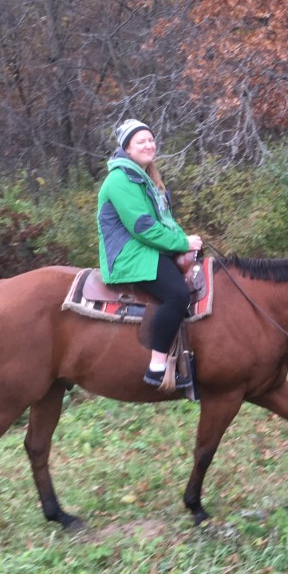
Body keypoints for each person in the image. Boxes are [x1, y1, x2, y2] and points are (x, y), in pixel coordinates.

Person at [97, 119, 203, 388]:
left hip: (148, 249)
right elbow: (142, 227)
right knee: (178, 294)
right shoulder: (119, 180)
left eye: (151, 139)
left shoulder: (147, 178)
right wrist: (182, 243)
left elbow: (165, 222)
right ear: (127, 149)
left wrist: (186, 240)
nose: (149, 144)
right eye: (140, 141)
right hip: (130, 255)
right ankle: (156, 368)